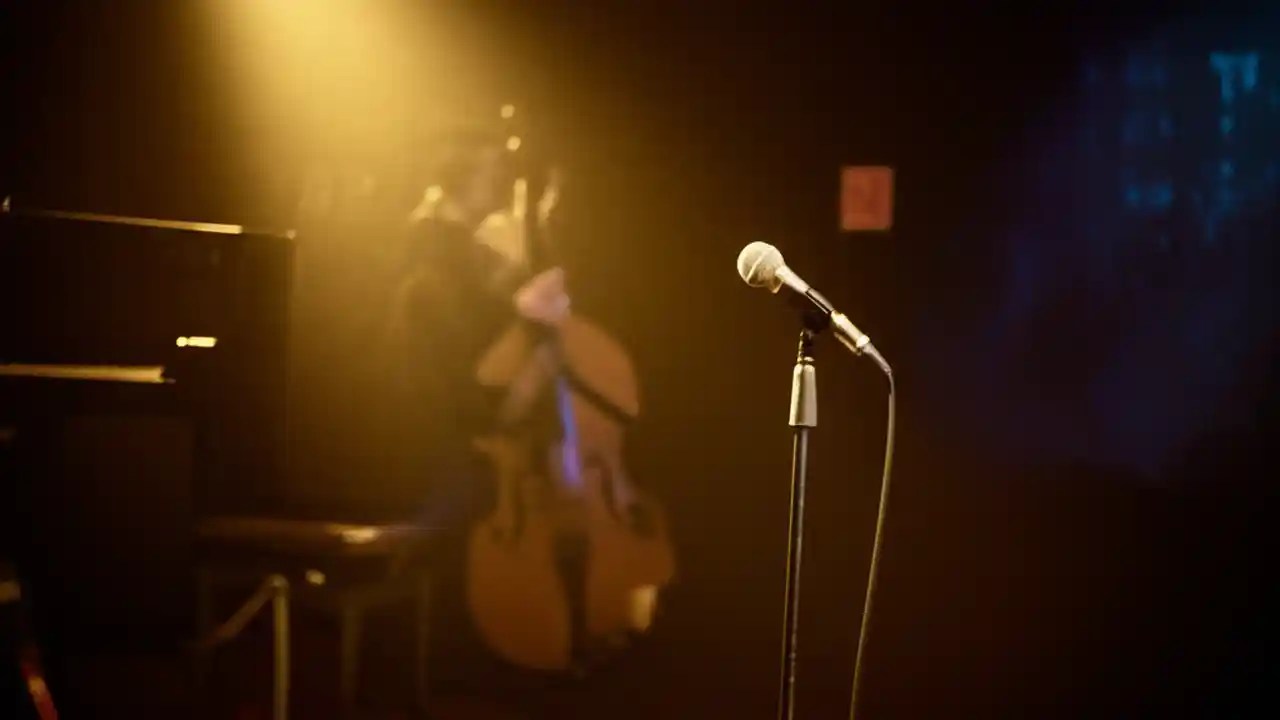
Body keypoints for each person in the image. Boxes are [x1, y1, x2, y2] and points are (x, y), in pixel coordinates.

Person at [385, 125, 573, 710]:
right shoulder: (437, 250)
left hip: (460, 427)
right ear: (466, 175)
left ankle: (494, 661)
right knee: (474, 520)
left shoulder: (457, 250)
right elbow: (460, 354)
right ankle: (471, 672)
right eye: (493, 170)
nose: (502, 180)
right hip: (441, 439)